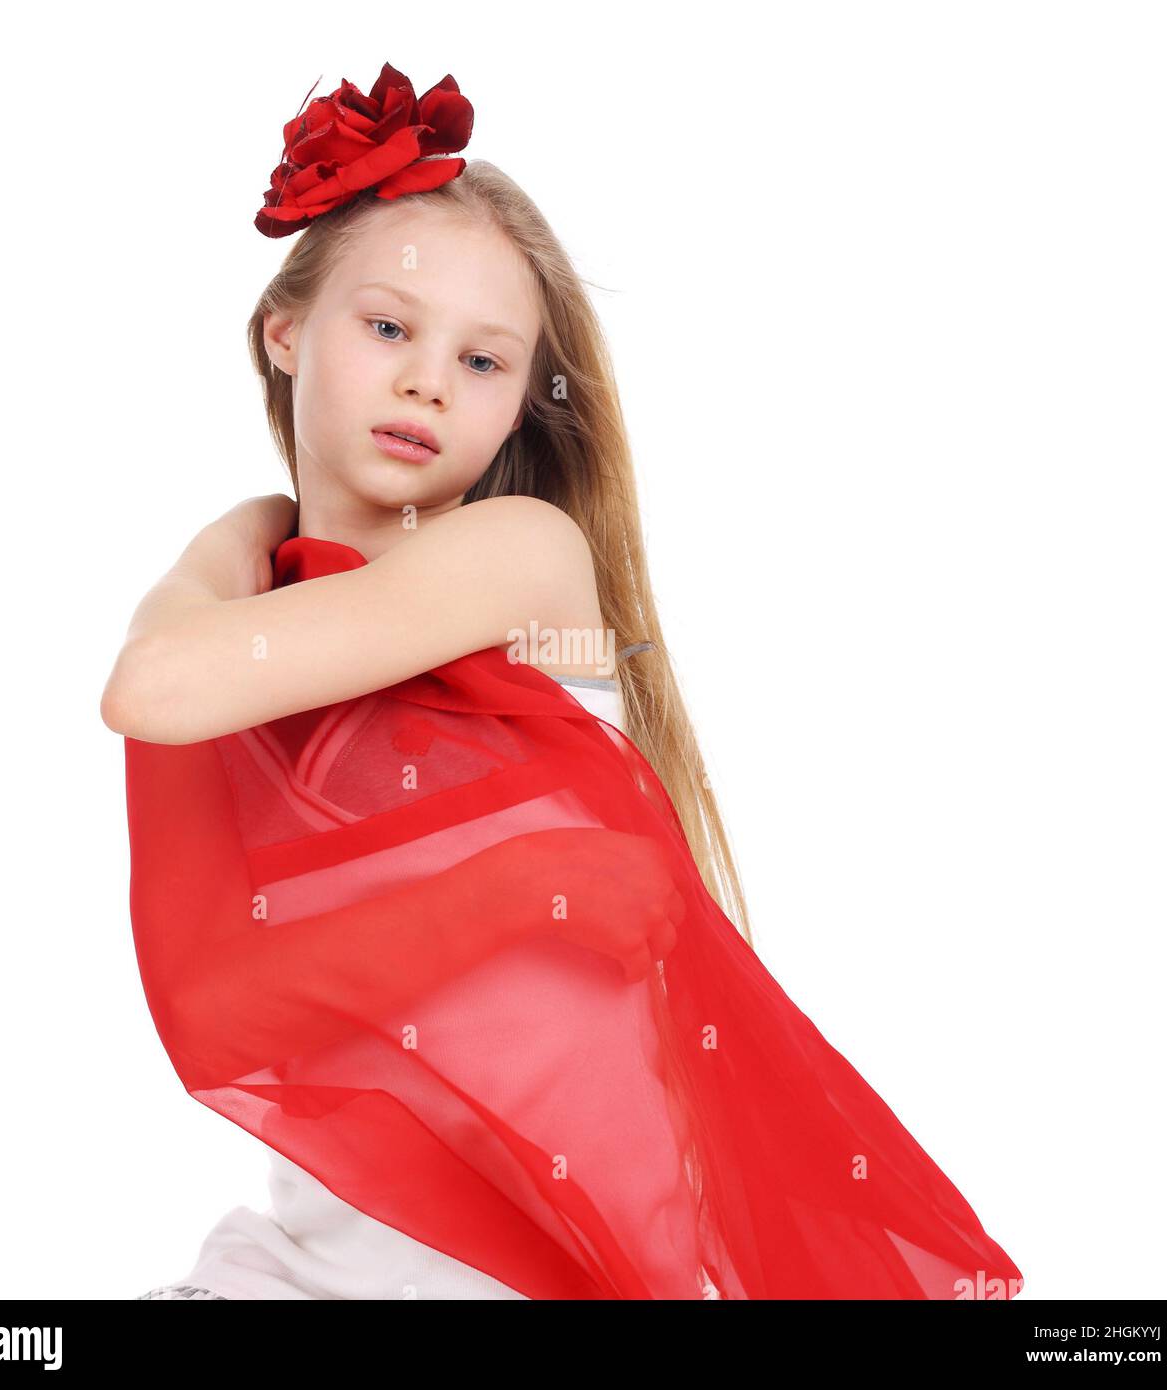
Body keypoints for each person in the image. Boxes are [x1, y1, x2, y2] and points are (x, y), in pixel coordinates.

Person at [104, 63, 1023, 1301]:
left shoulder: (517, 556)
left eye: (484, 362)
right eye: (387, 327)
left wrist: (221, 551)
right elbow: (220, 1007)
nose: (429, 380)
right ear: (284, 328)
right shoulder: (237, 620)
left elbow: (159, 679)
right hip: (305, 1272)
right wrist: (520, 889)